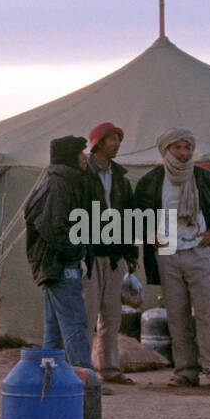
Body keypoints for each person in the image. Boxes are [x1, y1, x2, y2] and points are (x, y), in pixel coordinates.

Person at [132, 128, 210, 391]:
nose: (183, 153)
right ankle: (185, 371)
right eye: (177, 148)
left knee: (208, 313)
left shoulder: (205, 178)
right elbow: (136, 216)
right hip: (167, 251)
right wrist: (151, 236)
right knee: (176, 315)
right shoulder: (151, 181)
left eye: (187, 148)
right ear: (165, 150)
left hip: (199, 249)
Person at [26, 135, 94, 367]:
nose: (85, 158)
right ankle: (83, 375)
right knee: (74, 322)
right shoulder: (59, 186)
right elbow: (55, 227)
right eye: (80, 153)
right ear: (69, 158)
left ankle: (50, 376)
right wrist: (76, 252)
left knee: (54, 329)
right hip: (60, 264)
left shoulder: (59, 184)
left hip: (53, 265)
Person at [80, 122, 139, 384]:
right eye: (112, 139)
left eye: (118, 139)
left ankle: (110, 368)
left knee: (112, 315)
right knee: (87, 313)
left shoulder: (120, 180)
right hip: (89, 253)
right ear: (98, 143)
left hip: (114, 254)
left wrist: (130, 252)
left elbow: (128, 217)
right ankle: (82, 370)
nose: (117, 144)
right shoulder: (81, 174)